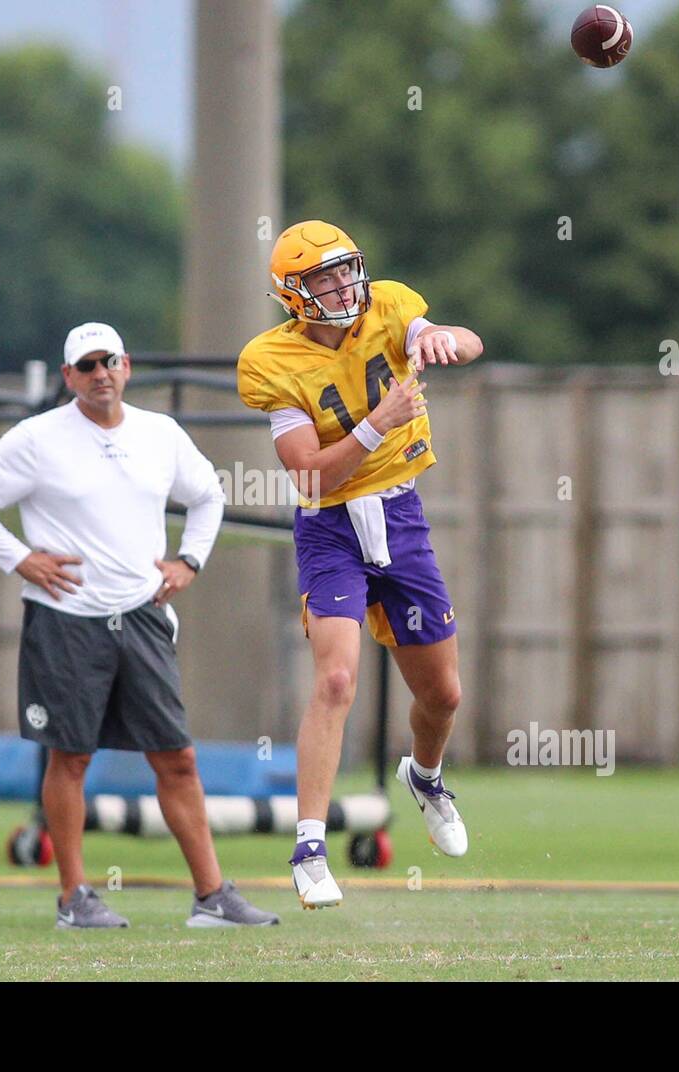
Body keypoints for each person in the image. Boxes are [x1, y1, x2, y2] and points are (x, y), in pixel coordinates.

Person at [0, 321, 278, 929]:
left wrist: (189, 561)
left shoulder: (160, 433)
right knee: (69, 758)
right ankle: (74, 898)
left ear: (127, 367)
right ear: (68, 376)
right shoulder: (38, 438)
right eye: (88, 365)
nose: (102, 374)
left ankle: (212, 896)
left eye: (111, 361)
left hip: (143, 617)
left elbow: (208, 495)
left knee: (177, 758)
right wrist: (21, 558)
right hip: (66, 620)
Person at [237, 220, 484, 908]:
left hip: (400, 516)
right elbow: (309, 479)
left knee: (444, 696)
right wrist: (378, 421)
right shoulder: (271, 360)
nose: (344, 284)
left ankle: (426, 778)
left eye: (347, 270)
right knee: (337, 678)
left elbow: (466, 340)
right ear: (296, 293)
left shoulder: (389, 307)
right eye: (325, 277)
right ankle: (310, 848)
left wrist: (443, 338)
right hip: (331, 527)